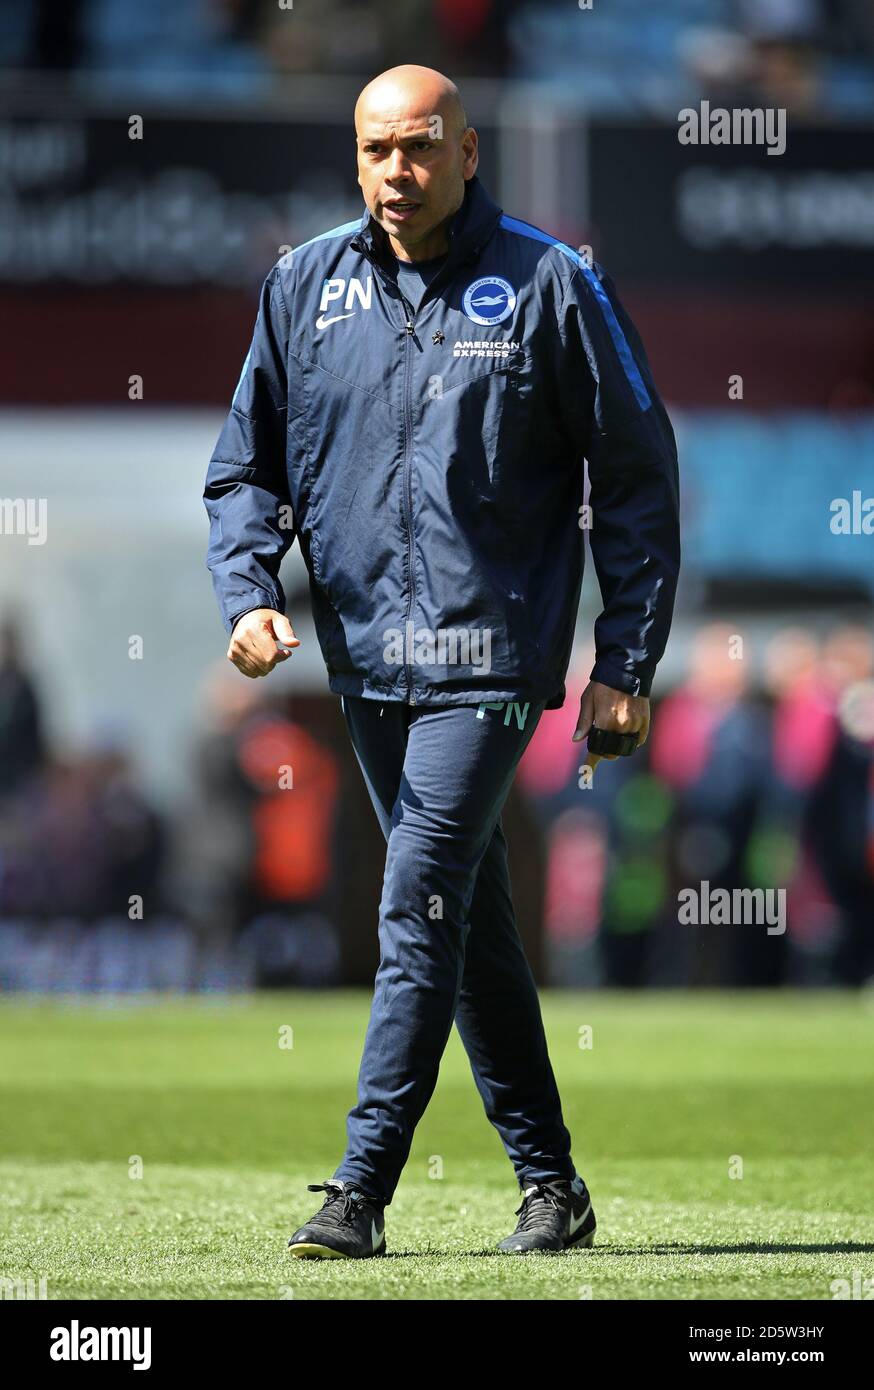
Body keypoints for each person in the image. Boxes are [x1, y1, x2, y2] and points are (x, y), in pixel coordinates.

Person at [203, 64, 680, 1257]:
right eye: (376, 151)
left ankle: (358, 1191)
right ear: (353, 158)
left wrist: (624, 659)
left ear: (469, 152)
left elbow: (634, 473)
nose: (397, 173)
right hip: (365, 663)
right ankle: (551, 1186)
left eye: (421, 147)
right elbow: (243, 468)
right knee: (467, 926)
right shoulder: (300, 287)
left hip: (491, 656)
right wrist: (249, 588)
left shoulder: (552, 282)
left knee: (415, 900)